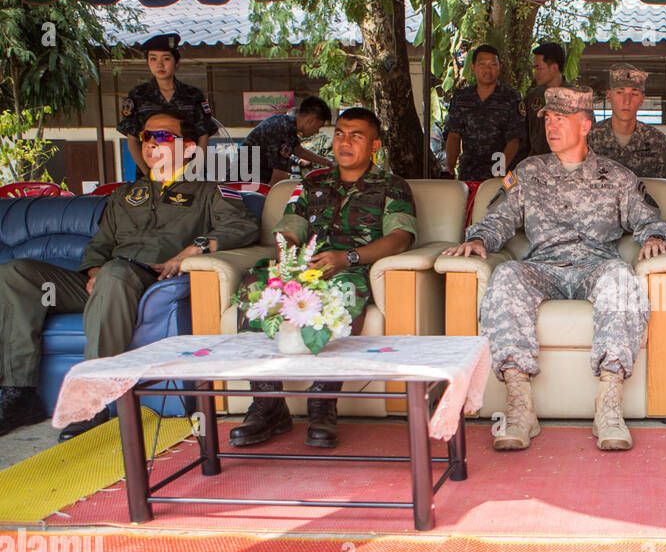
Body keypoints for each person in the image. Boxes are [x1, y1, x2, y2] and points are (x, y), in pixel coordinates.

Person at [0, 108, 260, 439]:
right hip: (104, 279)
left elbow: (242, 226)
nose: (152, 143)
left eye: (163, 136)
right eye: (147, 137)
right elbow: (100, 245)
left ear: (190, 147)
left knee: (115, 275)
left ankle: (90, 404)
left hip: (147, 280)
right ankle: (19, 393)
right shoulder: (125, 195)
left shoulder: (208, 190)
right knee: (17, 273)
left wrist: (192, 250)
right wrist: (93, 271)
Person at [442, 86, 666, 453]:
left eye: (560, 119)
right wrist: (480, 240)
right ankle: (520, 408)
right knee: (506, 277)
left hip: (596, 264)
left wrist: (653, 237)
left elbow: (648, 218)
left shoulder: (616, 176)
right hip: (543, 266)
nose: (551, 126)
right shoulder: (528, 172)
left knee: (621, 278)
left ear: (585, 125)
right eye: (548, 119)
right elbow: (499, 218)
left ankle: (609, 407)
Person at [230, 107, 417, 450]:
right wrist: (289, 263)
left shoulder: (391, 185)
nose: (345, 142)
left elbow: (400, 238)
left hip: (352, 268)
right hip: (305, 266)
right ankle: (267, 403)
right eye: (340, 134)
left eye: (356, 136)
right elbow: (288, 230)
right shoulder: (312, 182)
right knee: (254, 285)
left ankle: (322, 405)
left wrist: (347, 258)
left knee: (342, 290)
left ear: (374, 145)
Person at [117, 33, 220, 180]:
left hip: (189, 174)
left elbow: (203, 135)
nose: (159, 64)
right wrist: (147, 173)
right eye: (153, 59)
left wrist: (193, 171)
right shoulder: (138, 95)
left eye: (166, 58)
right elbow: (132, 139)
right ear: (147, 62)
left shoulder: (193, 95)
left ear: (176, 62)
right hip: (151, 173)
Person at [444, 44, 525, 181]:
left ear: (500, 68)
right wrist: (449, 168)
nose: (487, 69)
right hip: (469, 172)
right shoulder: (461, 98)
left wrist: (499, 172)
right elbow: (453, 136)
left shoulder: (512, 98)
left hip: (503, 174)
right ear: (473, 68)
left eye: (493, 64)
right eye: (482, 64)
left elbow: (514, 140)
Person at [586, 64, 666, 179]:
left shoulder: (657, 141)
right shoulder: (589, 138)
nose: (626, 101)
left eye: (634, 94)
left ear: (642, 99)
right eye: (620, 92)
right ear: (609, 96)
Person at [240, 95, 333, 186]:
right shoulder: (283, 130)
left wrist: (328, 163)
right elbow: (279, 178)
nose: (317, 131)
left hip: (248, 182)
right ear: (311, 120)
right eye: (319, 126)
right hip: (244, 186)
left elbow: (299, 151)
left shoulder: (285, 123)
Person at [516, 42, 573, 163]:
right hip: (536, 166)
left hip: (567, 167)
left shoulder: (575, 98)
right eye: (534, 68)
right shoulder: (532, 97)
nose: (535, 73)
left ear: (554, 68)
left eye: (539, 68)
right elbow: (522, 138)